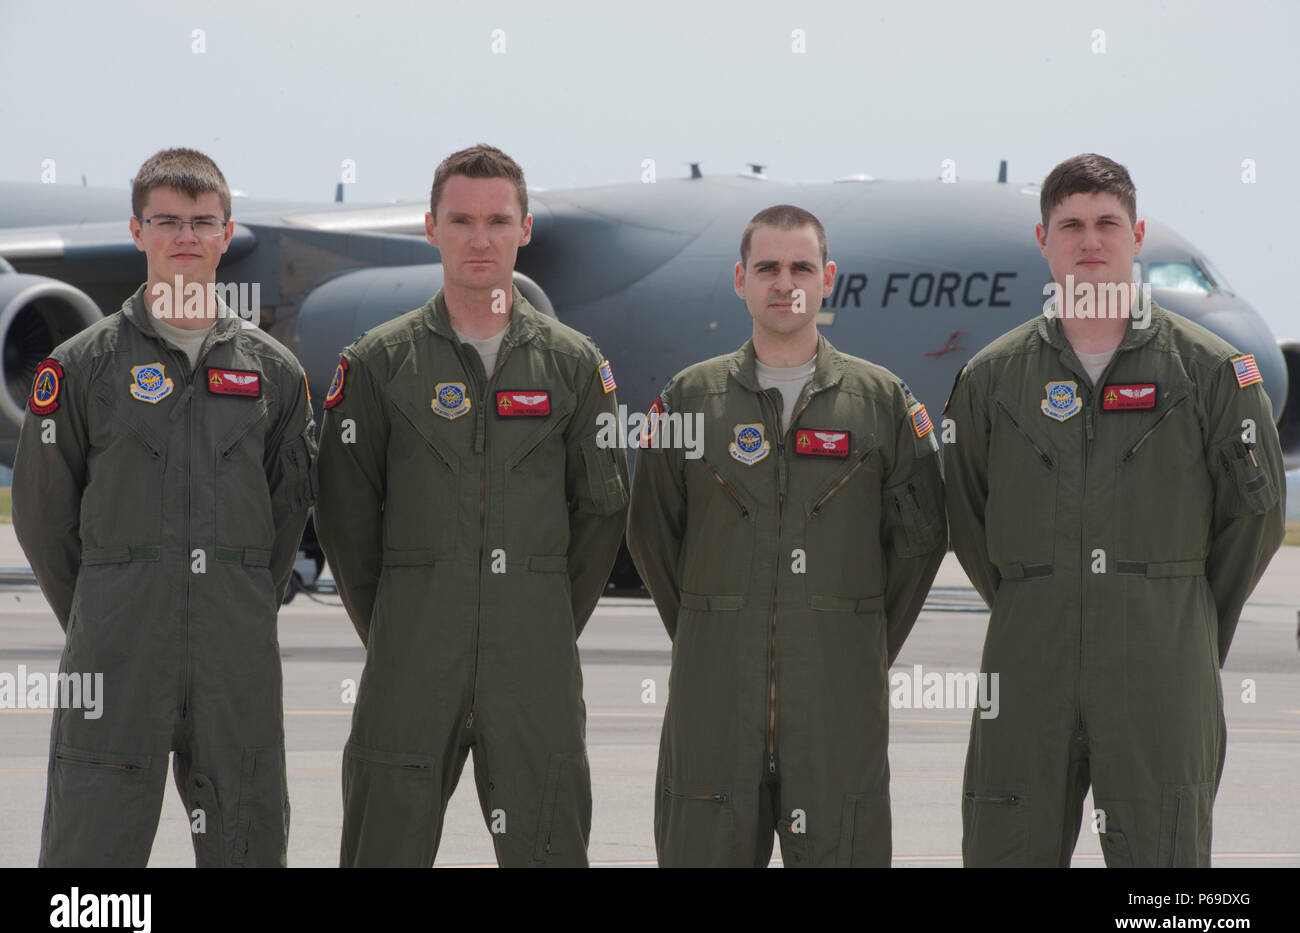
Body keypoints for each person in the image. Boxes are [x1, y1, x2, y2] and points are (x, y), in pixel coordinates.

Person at [944, 153, 1286, 867]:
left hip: (1162, 673)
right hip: (1027, 674)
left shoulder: (1212, 373)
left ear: (1138, 234)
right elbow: (970, 518)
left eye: (1107, 223)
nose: (1090, 241)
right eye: (1071, 224)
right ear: (1044, 240)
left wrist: (1178, 615)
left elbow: (1250, 523)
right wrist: (1037, 599)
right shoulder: (991, 381)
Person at [315, 144, 628, 867]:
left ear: (524, 230)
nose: (479, 238)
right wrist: (403, 619)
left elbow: (602, 511)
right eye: (461, 220)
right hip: (409, 662)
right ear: (431, 228)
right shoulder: (379, 364)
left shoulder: (577, 367)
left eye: (497, 220)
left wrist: (539, 612)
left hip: (536, 670)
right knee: (381, 846)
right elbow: (346, 518)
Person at [13, 147, 317, 866]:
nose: (186, 235)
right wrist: (108, 603)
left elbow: (286, 512)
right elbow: (42, 515)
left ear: (225, 233)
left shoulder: (273, 372)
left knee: (248, 836)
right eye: (168, 221)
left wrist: (235, 599)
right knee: (93, 857)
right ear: (137, 230)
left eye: (202, 222)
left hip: (234, 662)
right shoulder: (82, 366)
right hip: (117, 657)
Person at [626, 204, 946, 867]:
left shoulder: (881, 404)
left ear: (826, 279)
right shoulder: (690, 400)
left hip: (837, 723)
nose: (784, 281)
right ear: (741, 279)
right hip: (711, 719)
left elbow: (917, 545)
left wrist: (852, 641)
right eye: (767, 266)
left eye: (801, 265)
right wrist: (712, 629)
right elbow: (651, 536)